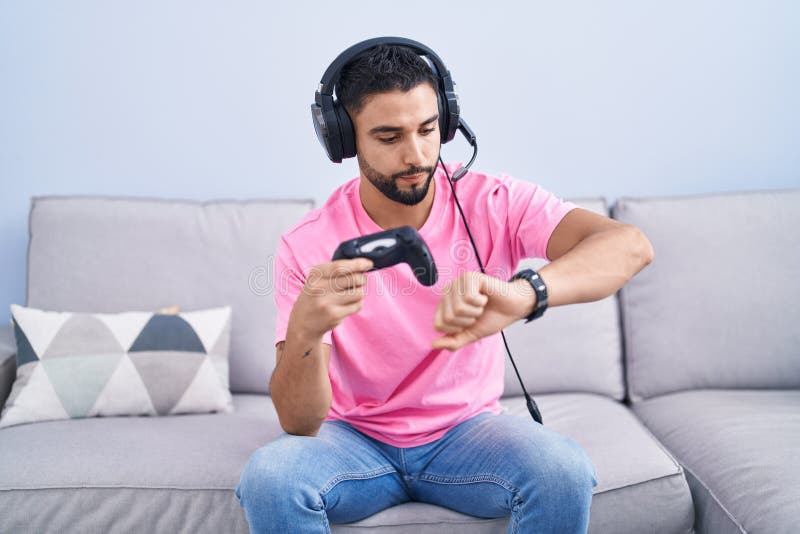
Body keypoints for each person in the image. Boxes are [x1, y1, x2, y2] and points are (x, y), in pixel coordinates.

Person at [235, 40, 654, 534]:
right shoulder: (308, 244)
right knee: (270, 478)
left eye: (428, 130)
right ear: (345, 139)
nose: (416, 155)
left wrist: (524, 294)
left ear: (447, 121)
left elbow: (629, 246)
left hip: (467, 432)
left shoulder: (494, 202)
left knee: (562, 468)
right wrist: (304, 335)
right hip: (352, 439)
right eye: (389, 137)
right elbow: (299, 424)